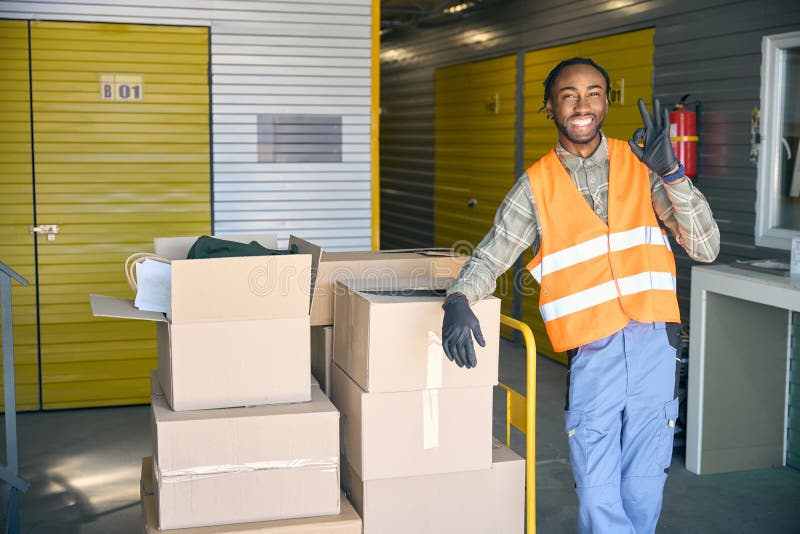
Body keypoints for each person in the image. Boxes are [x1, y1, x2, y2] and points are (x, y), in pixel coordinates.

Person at [441, 57, 720, 534]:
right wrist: (459, 298)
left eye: (594, 92)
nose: (582, 104)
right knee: (597, 492)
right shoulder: (536, 186)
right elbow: (490, 256)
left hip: (655, 346)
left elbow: (706, 247)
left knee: (644, 485)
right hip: (593, 355)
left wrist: (672, 172)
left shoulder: (643, 164)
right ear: (549, 107)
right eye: (568, 94)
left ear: (607, 102)